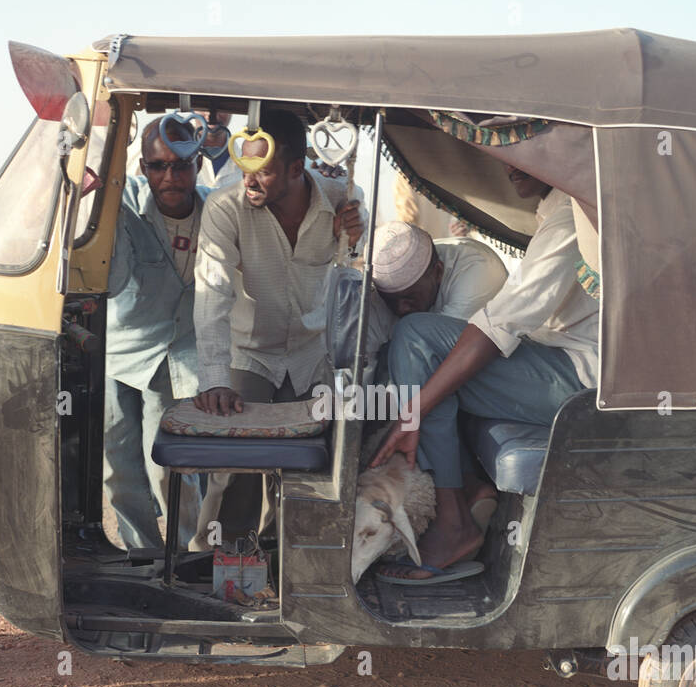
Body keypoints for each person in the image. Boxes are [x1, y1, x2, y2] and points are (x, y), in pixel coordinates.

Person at [368, 164, 600, 580]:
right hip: (553, 357)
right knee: (416, 348)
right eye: (505, 154)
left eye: (526, 150)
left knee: (418, 339)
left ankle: (453, 521)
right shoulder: (556, 211)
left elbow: (501, 326)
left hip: (582, 378)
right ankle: (462, 496)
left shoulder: (570, 218)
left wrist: (413, 411)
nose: (510, 165)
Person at [191, 108, 363, 544]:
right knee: (234, 466)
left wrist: (357, 241)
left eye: (262, 171)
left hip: (311, 353)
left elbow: (355, 282)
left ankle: (280, 564)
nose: (248, 180)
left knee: (311, 469)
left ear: (294, 168)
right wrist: (214, 379)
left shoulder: (343, 199)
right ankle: (216, 562)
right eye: (245, 167)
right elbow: (212, 293)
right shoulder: (223, 206)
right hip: (248, 351)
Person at [104, 117, 206, 551]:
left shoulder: (218, 211)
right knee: (119, 467)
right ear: (142, 168)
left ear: (198, 164)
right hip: (120, 351)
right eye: (157, 166)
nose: (170, 177)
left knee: (169, 463)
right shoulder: (120, 202)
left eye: (180, 166)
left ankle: (185, 559)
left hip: (179, 355)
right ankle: (142, 556)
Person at [371, 221, 506, 322]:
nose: (401, 309)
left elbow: (437, 348)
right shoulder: (379, 293)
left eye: (409, 298)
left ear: (438, 272)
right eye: (391, 301)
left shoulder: (477, 271)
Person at [197, 109, 241, 193]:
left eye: (221, 107)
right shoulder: (175, 153)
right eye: (203, 105)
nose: (210, 115)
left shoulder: (246, 164)